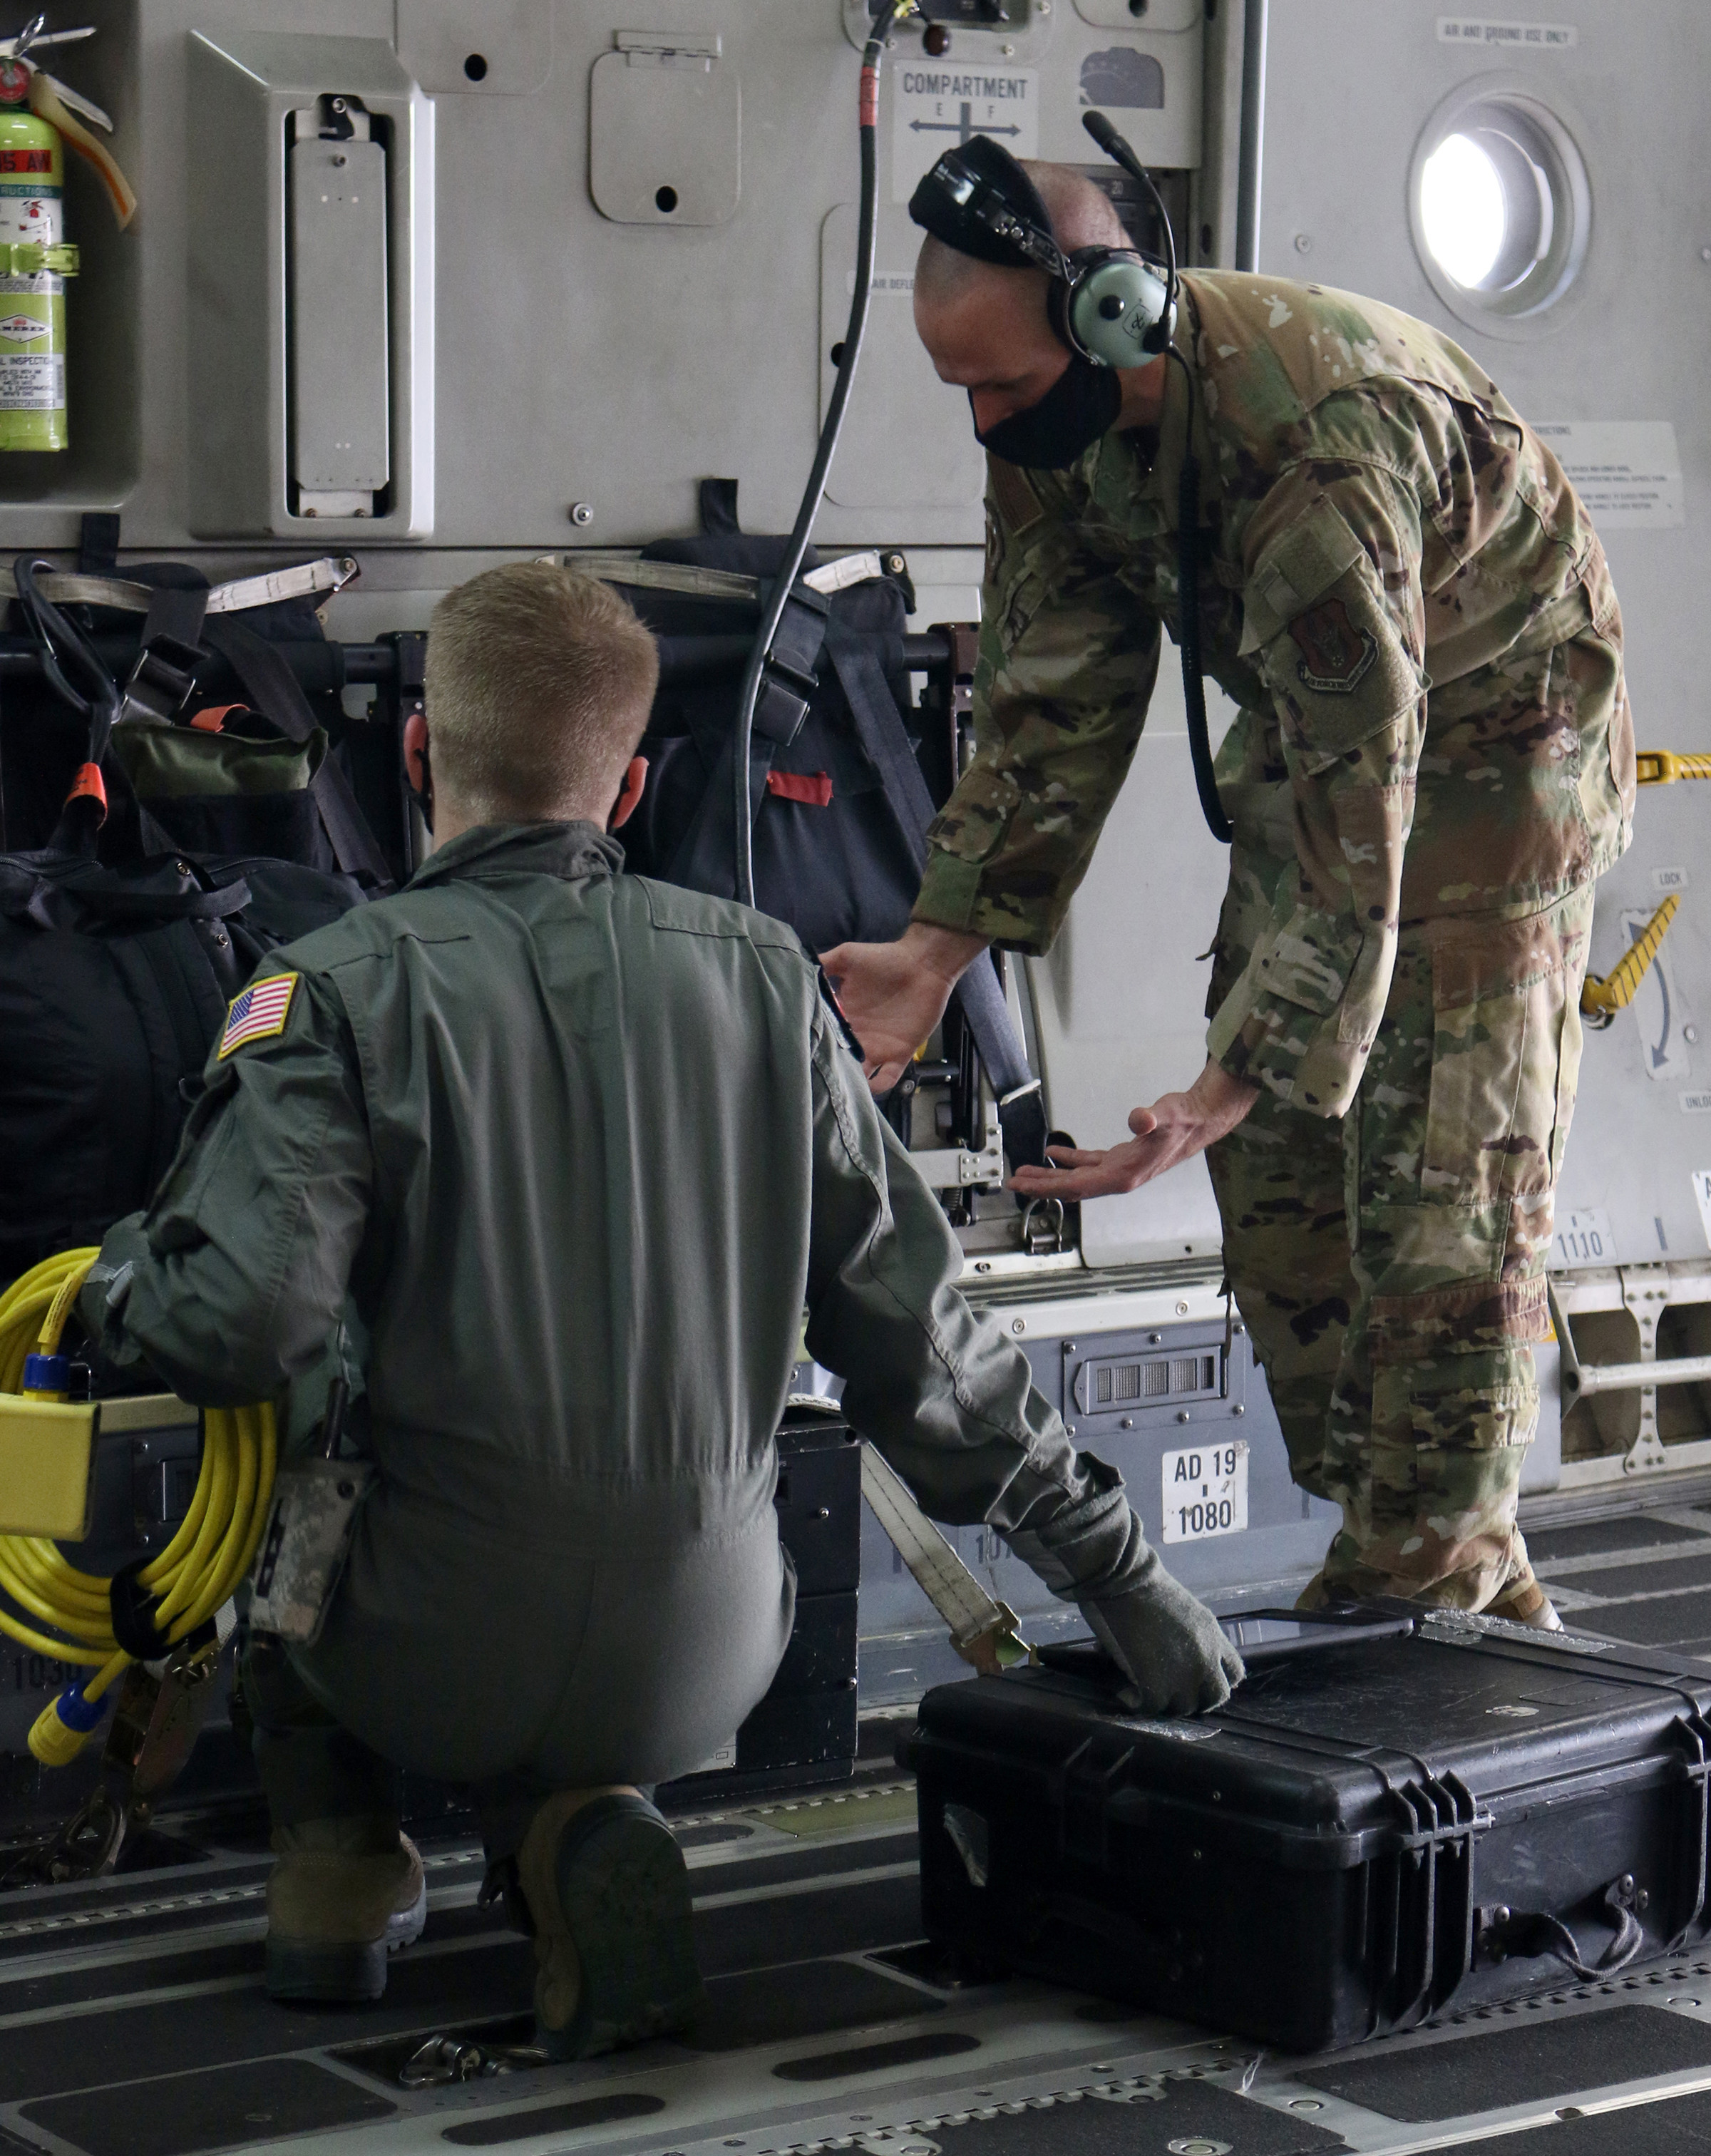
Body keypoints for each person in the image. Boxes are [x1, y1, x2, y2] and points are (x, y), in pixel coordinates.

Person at [78, 560, 1243, 2055]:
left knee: (295, 1439)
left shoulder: (332, 991)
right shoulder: (766, 985)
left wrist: (121, 1282)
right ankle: (590, 1815)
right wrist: (1123, 1575)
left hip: (412, 1659)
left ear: (420, 757)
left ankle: (337, 1870)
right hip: (712, 1658)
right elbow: (922, 1341)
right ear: (628, 790)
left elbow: (241, 1322)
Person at [824, 140, 1635, 1633]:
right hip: (1326, 747)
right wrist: (938, 949)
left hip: (1497, 757)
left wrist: (1244, 1067)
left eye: (1004, 385)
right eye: (966, 395)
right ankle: (1426, 1547)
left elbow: (1370, 762)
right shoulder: (1053, 436)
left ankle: (1432, 1572)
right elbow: (1050, 691)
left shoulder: (1312, 437)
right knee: (1282, 1196)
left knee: (1445, 1192)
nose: (989, 422)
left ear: (1112, 311)